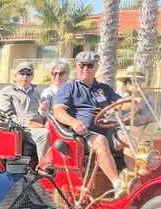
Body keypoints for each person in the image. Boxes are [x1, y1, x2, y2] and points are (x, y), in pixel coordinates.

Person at [52, 50, 136, 195]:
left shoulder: (103, 89)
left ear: (96, 68)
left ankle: (133, 179)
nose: (85, 69)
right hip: (82, 134)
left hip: (107, 129)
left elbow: (121, 103)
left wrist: (134, 102)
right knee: (100, 140)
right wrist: (73, 122)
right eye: (81, 65)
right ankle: (117, 184)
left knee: (129, 136)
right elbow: (58, 111)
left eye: (90, 66)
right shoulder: (69, 87)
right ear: (77, 66)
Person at [0, 61, 49, 166]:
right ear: (15, 76)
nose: (25, 76)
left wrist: (43, 112)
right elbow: (7, 116)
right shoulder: (6, 92)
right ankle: (44, 167)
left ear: (32, 77)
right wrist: (29, 124)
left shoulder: (36, 93)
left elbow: (40, 115)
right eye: (22, 73)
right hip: (22, 129)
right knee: (45, 134)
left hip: (39, 126)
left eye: (28, 74)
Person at [116, 66, 156, 134]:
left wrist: (149, 119)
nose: (134, 84)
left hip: (145, 132)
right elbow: (116, 118)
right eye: (130, 81)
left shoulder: (148, 99)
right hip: (123, 131)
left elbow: (149, 116)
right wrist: (133, 119)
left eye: (138, 81)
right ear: (126, 83)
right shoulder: (119, 96)